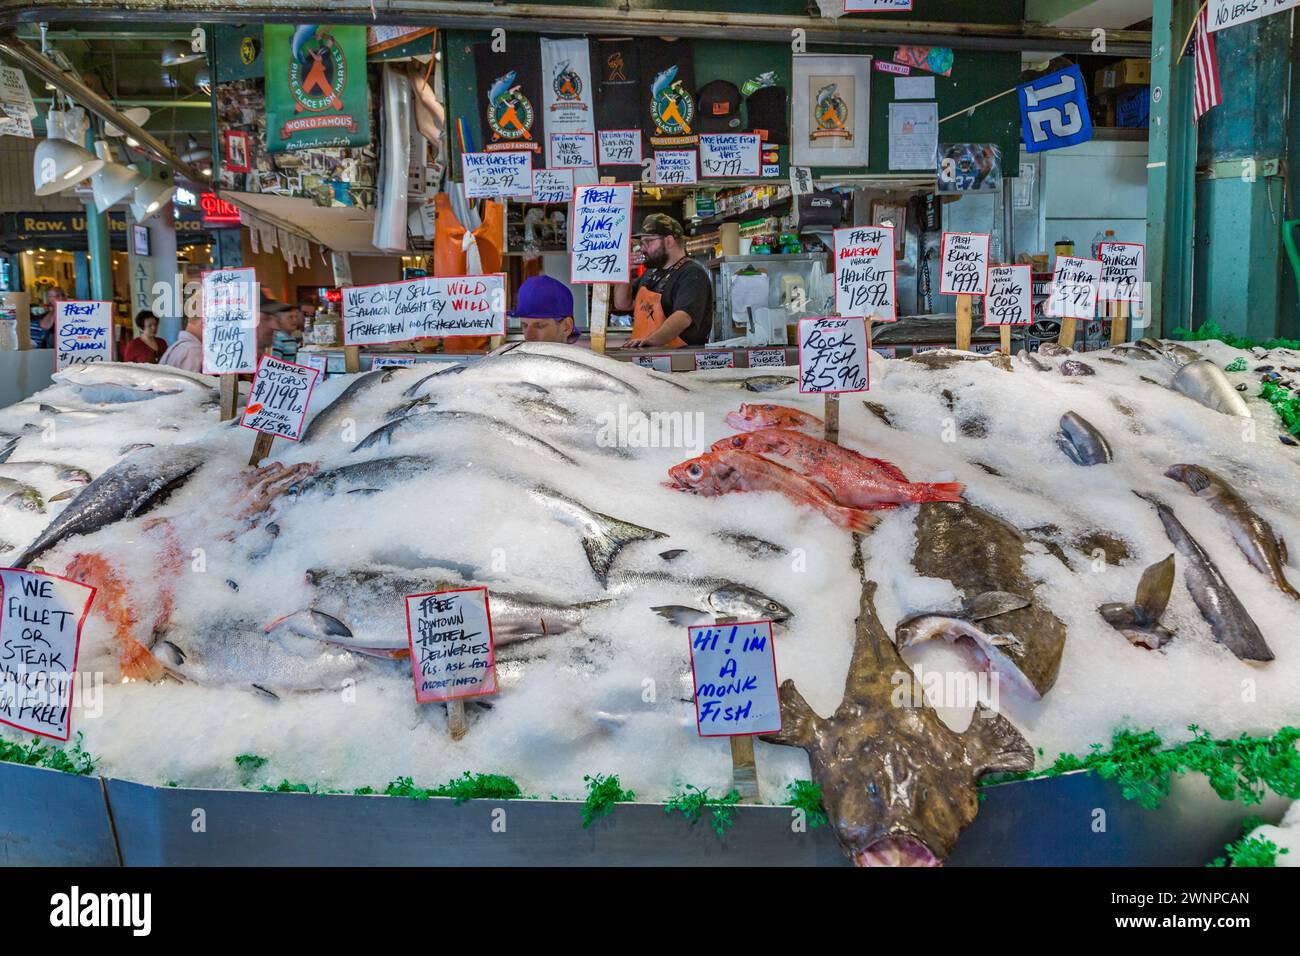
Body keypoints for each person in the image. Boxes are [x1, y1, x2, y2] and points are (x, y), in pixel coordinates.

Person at [612, 214, 713, 349]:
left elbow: (682, 318)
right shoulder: (651, 273)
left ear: (669, 241)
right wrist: (625, 273)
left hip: (680, 360)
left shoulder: (692, 274)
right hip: (648, 354)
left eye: (648, 241)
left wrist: (649, 341)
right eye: (641, 243)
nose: (642, 248)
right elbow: (622, 304)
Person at [511, 275, 579, 344]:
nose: (528, 336)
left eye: (539, 326)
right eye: (525, 325)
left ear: (567, 326)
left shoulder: (584, 355)